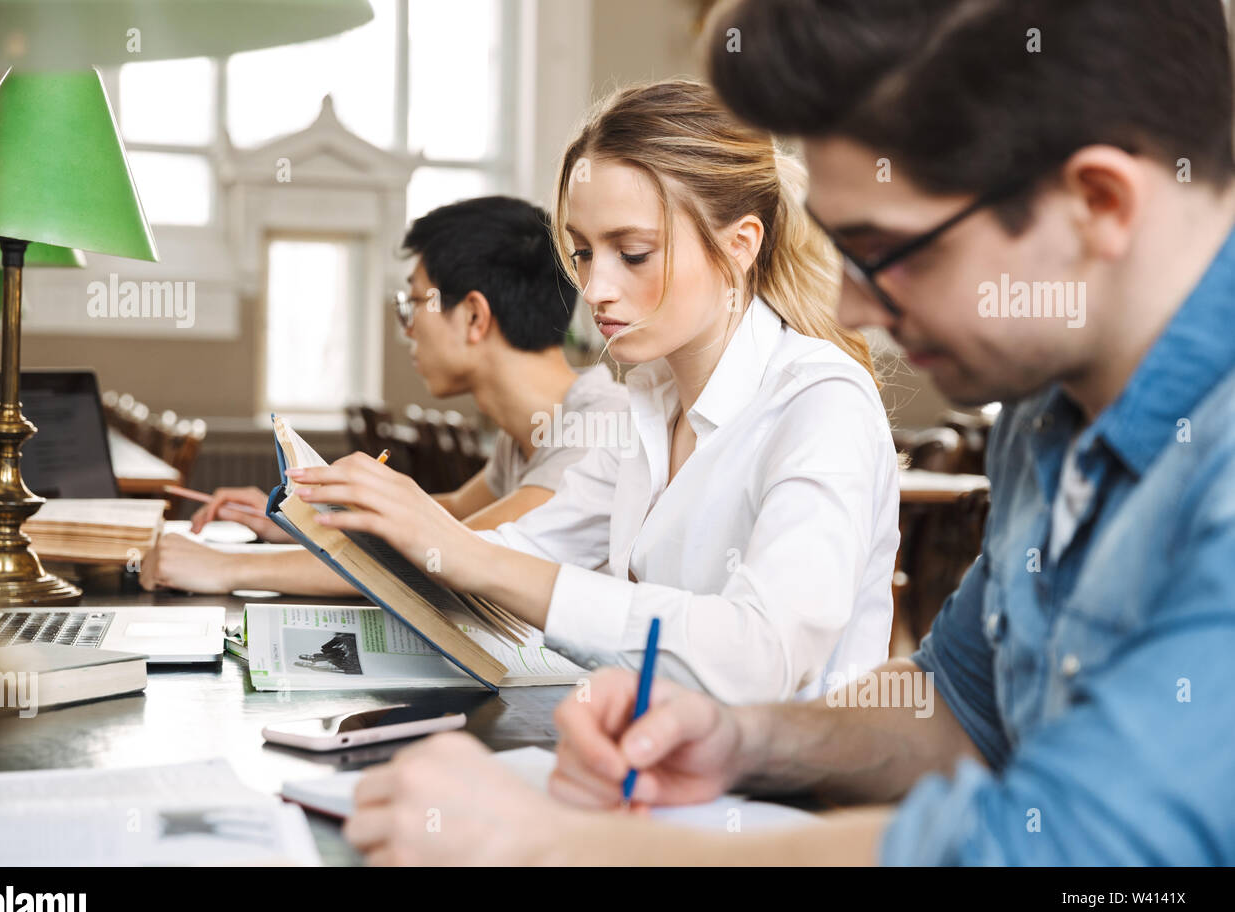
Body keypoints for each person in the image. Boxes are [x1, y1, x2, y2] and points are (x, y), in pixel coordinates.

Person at [341, 0, 1235, 865]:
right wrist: (744, 736)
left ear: (1101, 203)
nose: (849, 303)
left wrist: (551, 848)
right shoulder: (1045, 412)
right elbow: (960, 708)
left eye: (886, 248)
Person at [284, 79, 900, 705]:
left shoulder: (823, 401)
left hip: (795, 793)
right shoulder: (648, 404)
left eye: (632, 253)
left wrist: (464, 552)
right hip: (657, 765)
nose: (595, 288)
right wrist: (384, 522)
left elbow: (764, 655)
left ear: (740, 245)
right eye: (581, 252)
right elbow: (518, 551)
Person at [139, 196, 627, 596]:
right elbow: (453, 512)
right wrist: (308, 521)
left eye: (412, 304)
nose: (408, 328)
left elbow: (453, 554)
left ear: (474, 317)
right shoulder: (529, 431)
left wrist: (230, 569)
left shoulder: (595, 434)